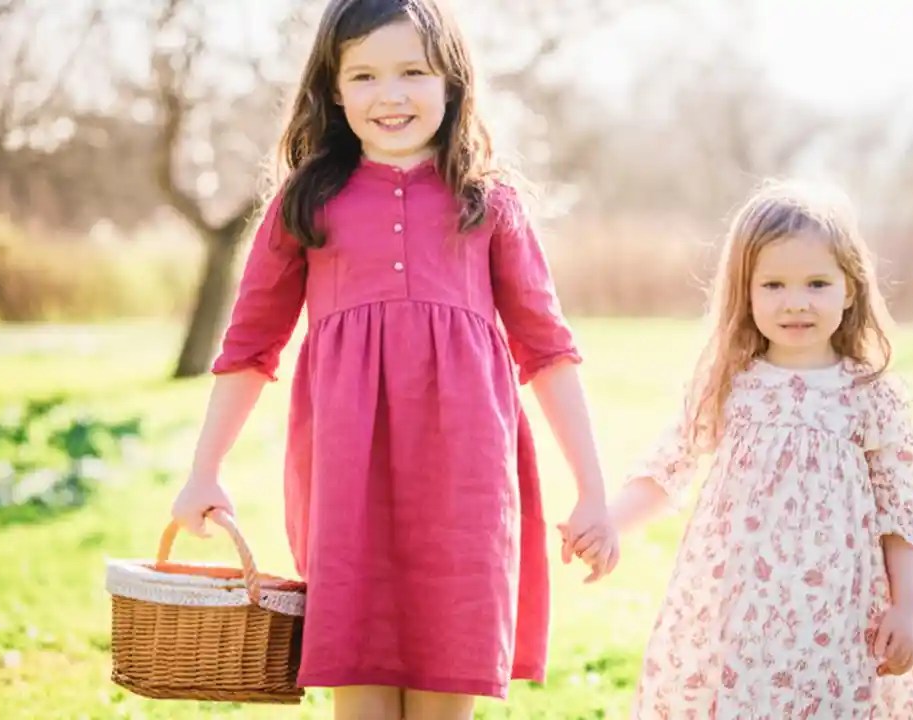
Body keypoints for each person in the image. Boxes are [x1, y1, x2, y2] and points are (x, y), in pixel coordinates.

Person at [169, 1, 617, 717]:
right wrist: (203, 471)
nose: (391, 95)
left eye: (413, 71)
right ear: (334, 89)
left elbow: (549, 352)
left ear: (452, 81)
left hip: (466, 488)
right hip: (347, 485)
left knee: (448, 682)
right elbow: (249, 348)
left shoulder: (488, 203)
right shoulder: (305, 202)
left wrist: (591, 490)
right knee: (361, 685)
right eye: (366, 75)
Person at [584, 180, 913, 718]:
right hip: (737, 607)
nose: (795, 303)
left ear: (851, 289)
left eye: (817, 283)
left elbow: (898, 513)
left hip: (835, 611)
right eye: (773, 285)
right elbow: (670, 464)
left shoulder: (870, 395)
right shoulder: (730, 381)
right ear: (745, 291)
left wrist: (907, 609)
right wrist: (610, 522)